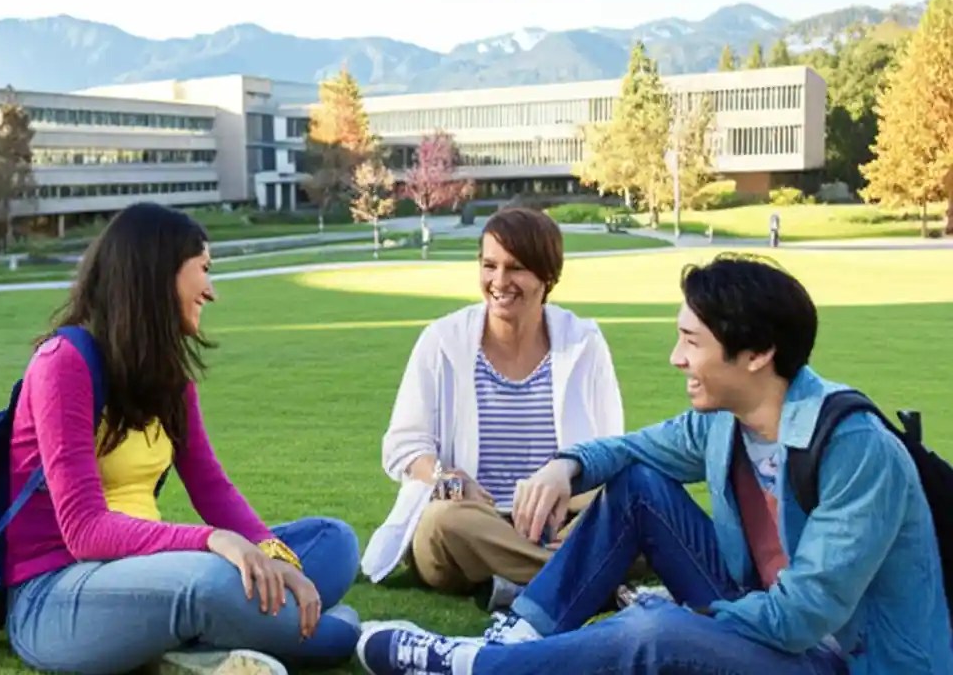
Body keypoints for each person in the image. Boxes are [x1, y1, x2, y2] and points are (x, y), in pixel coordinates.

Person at [357, 253, 952, 675]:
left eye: (691, 342)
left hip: (840, 658)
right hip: (765, 614)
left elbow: (800, 618)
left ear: (757, 354)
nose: (675, 358)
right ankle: (523, 632)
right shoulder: (726, 420)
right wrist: (564, 466)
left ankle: (476, 665)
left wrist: (685, 617)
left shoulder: (856, 450)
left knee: (653, 635)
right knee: (637, 486)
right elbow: (630, 450)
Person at [4, 203, 361, 675]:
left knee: (333, 542)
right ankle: (335, 628)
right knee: (220, 583)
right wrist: (214, 541)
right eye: (204, 271)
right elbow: (86, 531)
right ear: (158, 276)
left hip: (150, 570)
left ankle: (184, 646)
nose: (211, 291)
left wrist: (270, 554)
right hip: (56, 592)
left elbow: (210, 485)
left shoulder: (166, 374)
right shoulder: (63, 363)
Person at [360, 207, 626, 609]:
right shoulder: (442, 340)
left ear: (547, 276)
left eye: (516, 268)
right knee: (439, 520)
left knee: (632, 498)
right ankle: (590, 582)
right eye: (489, 266)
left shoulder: (584, 342)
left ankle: (519, 583)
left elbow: (609, 449)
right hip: (470, 523)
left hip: (558, 520)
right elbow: (402, 446)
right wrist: (447, 479)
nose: (499, 282)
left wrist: (563, 501)